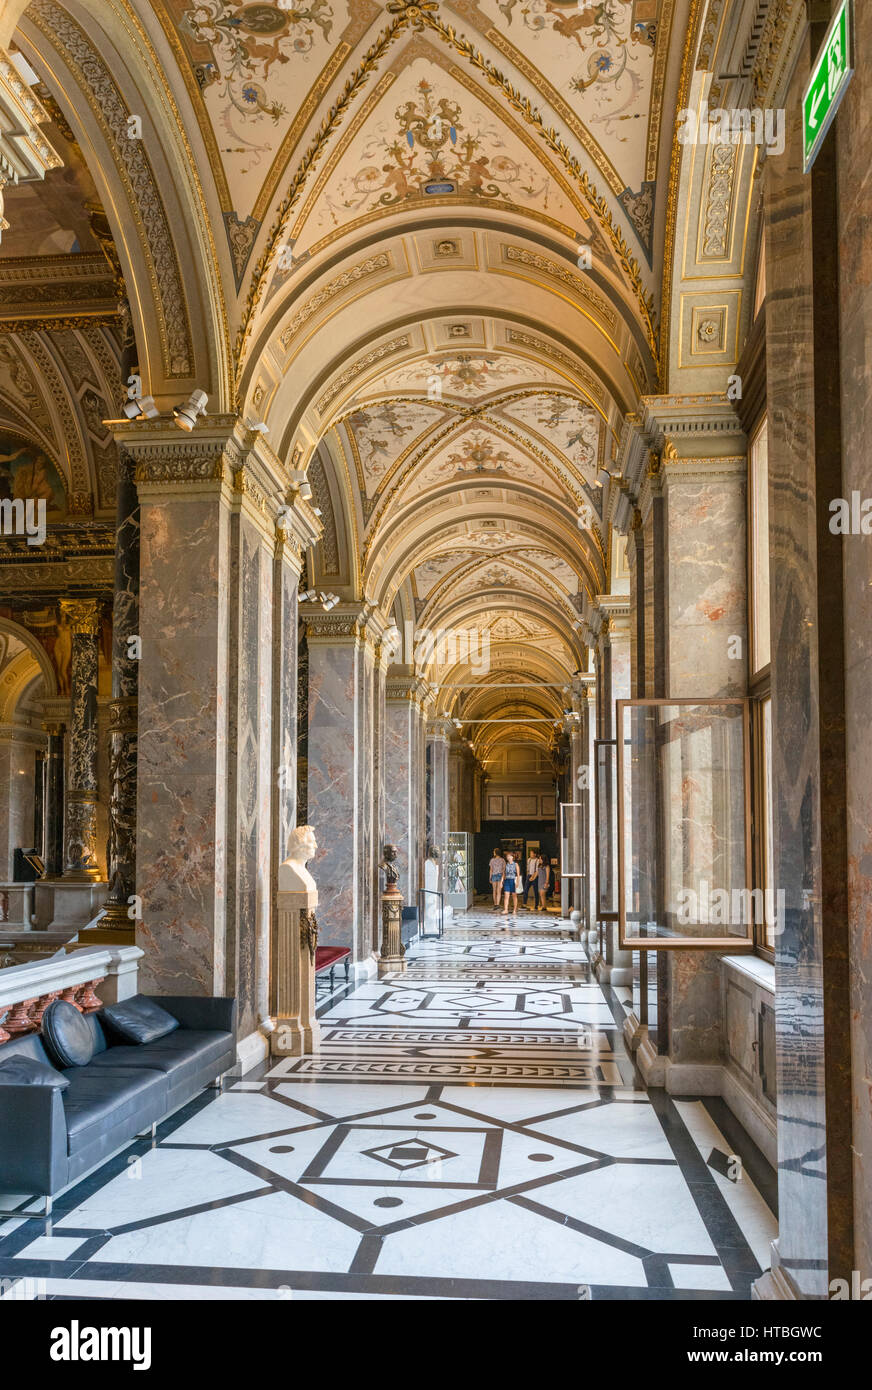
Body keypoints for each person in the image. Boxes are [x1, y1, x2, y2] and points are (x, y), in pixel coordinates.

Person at [501, 850, 520, 916]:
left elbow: (518, 874)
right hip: (507, 881)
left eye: (509, 856)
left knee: (514, 896)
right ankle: (506, 909)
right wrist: (501, 881)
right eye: (507, 856)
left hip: (513, 881)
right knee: (506, 896)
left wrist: (517, 882)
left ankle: (515, 909)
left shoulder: (516, 864)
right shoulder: (506, 865)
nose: (508, 857)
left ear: (512, 857)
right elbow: (503, 873)